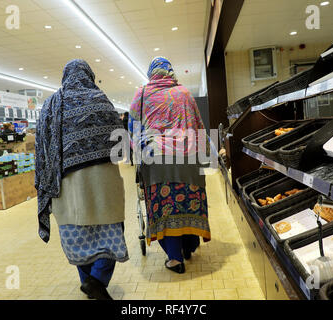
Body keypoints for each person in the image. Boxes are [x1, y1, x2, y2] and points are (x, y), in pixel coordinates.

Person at [35, 59, 128, 300]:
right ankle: (96, 281)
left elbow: (42, 148)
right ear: (89, 75)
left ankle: (89, 282)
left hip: (66, 183)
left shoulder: (50, 105)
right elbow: (121, 146)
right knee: (110, 230)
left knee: (78, 234)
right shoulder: (100, 100)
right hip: (102, 180)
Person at [129, 57, 211, 274]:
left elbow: (132, 128)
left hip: (156, 159)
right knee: (189, 200)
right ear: (170, 72)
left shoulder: (142, 94)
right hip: (187, 156)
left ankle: (174, 259)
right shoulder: (183, 92)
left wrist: (138, 151)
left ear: (151, 73)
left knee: (164, 206)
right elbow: (199, 124)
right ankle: (190, 246)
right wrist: (205, 156)